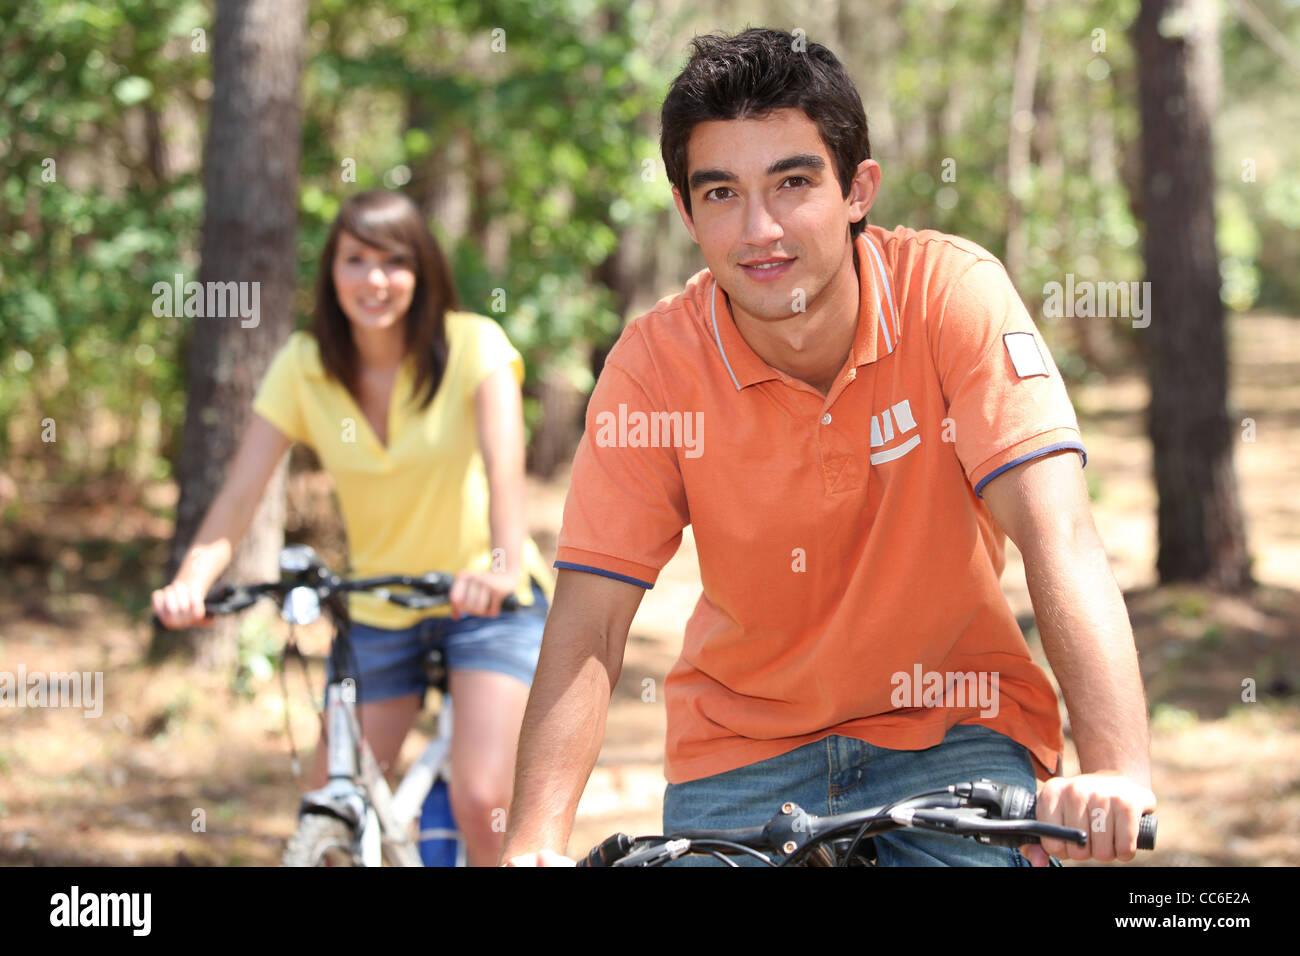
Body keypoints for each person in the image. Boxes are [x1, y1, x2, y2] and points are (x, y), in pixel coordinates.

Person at [501, 28, 1154, 867]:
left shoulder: (949, 295)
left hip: (955, 733)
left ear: (858, 189)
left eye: (793, 182)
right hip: (739, 756)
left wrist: (1117, 770)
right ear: (684, 210)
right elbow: (590, 616)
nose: (760, 229)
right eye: (721, 193)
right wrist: (530, 842)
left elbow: (1058, 537)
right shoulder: (654, 366)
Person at [152, 189, 554, 867]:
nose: (374, 280)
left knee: (484, 799)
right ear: (331, 272)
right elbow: (239, 494)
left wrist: (501, 563)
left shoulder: (472, 346)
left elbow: (504, 467)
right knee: (328, 797)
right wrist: (191, 582)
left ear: (421, 270)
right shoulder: (306, 367)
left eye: (393, 262)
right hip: (377, 607)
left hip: (485, 603)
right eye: (356, 260)